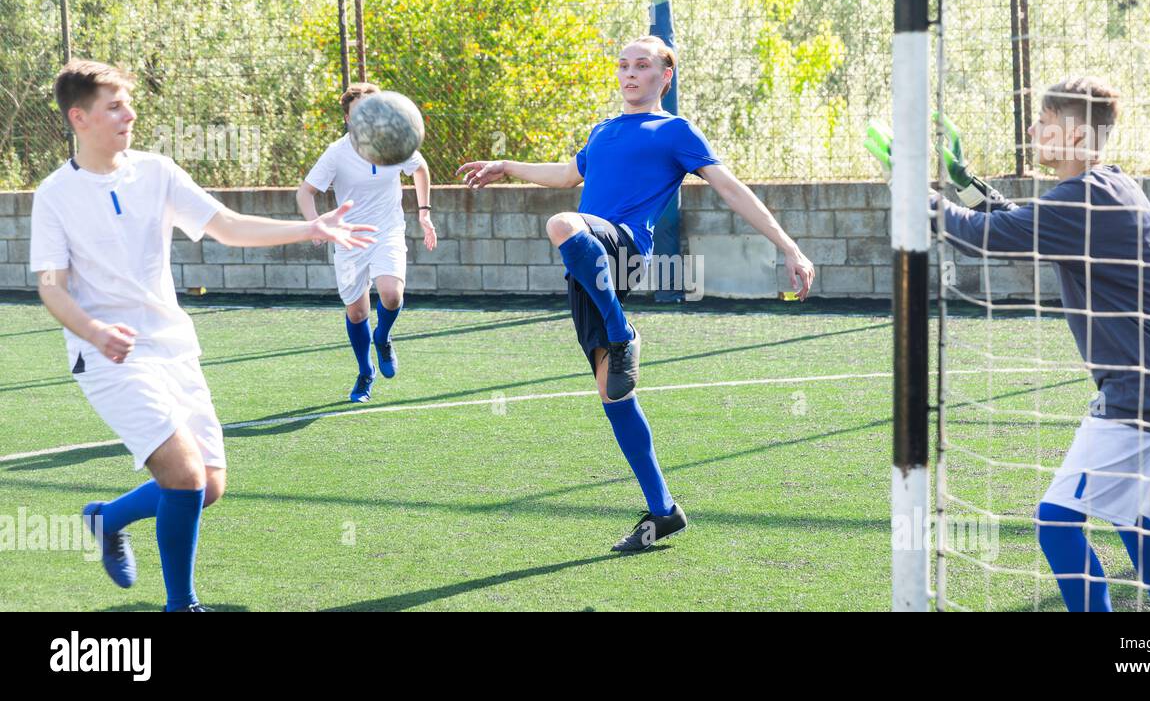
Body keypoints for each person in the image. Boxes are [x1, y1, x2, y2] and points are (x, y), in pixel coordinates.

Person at [30, 59, 376, 611]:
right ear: (79, 118)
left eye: (128, 102)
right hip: (109, 357)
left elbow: (227, 225)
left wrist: (310, 227)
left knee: (208, 486)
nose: (130, 113)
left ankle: (107, 517)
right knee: (184, 476)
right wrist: (94, 331)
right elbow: (51, 286)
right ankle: (182, 604)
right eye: (114, 106)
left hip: (173, 344)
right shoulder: (54, 195)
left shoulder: (157, 171)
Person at [457, 36, 816, 552]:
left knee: (561, 223)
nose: (629, 73)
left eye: (642, 66)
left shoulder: (675, 131)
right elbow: (568, 174)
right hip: (589, 262)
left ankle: (624, 333)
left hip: (623, 248)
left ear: (664, 76)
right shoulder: (602, 130)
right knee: (614, 396)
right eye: (623, 65)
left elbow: (730, 187)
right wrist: (507, 167)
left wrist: (788, 246)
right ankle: (663, 510)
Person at [871, 77, 1150, 611]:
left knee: (1055, 522)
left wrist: (909, 186)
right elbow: (1019, 222)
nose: (1032, 130)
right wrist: (964, 183)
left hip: (1141, 386)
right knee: (1130, 517)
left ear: (1074, 136)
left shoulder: (1083, 201)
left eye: (1044, 122)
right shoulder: (1106, 187)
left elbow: (984, 237)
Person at [296, 82, 436, 403]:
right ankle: (365, 372)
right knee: (357, 313)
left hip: (387, 231)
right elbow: (305, 192)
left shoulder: (395, 144)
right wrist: (315, 223)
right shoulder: (336, 153)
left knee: (390, 293)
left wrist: (424, 213)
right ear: (347, 118)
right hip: (349, 238)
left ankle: (383, 337)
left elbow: (421, 169)